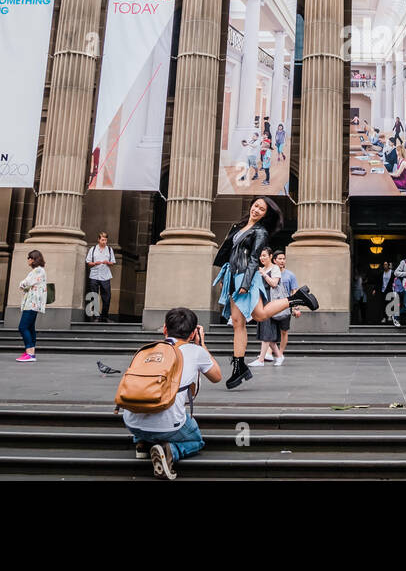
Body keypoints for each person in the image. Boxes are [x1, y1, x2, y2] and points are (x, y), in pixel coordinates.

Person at [212, 197, 319, 388]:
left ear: (265, 214)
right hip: (234, 274)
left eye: (261, 209)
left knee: (259, 315)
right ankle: (238, 366)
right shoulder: (240, 226)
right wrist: (225, 280)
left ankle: (296, 298)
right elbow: (230, 255)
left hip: (246, 276)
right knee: (238, 322)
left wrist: (244, 283)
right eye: (256, 206)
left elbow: (254, 258)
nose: (257, 210)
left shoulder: (260, 232)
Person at [122, 307, 222, 480]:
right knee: (196, 440)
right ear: (192, 334)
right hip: (170, 425)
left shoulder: (147, 350)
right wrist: (201, 345)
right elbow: (217, 377)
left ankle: (142, 444)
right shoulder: (196, 351)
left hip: (131, 421)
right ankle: (169, 452)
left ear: (165, 329)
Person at [250, 248, 284, 367]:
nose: (262, 258)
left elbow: (274, 283)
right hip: (262, 302)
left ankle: (261, 360)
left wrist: (264, 275)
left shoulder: (274, 269)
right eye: (260, 256)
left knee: (266, 331)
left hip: (270, 303)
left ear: (270, 256)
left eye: (264, 255)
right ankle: (279, 356)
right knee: (266, 332)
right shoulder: (261, 269)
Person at [17, 250, 47, 362]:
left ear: (34, 259)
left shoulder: (38, 270)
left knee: (23, 327)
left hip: (32, 303)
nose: (28, 259)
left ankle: (30, 352)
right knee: (30, 327)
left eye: (30, 257)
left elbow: (25, 283)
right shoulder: (37, 271)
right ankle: (31, 352)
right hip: (32, 303)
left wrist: (22, 284)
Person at [272, 250, 302, 356]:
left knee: (284, 331)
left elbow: (294, 292)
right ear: (274, 260)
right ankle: (269, 352)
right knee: (270, 331)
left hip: (285, 306)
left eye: (284, 259)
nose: (282, 261)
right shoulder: (270, 273)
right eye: (280, 259)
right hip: (271, 306)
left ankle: (280, 353)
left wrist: (296, 308)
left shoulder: (290, 275)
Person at [85, 231, 115, 323]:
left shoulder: (109, 250)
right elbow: (88, 262)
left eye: (105, 240)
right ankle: (96, 316)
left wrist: (107, 262)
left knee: (107, 297)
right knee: (94, 295)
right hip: (94, 275)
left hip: (105, 276)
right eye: (102, 240)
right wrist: (94, 263)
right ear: (98, 240)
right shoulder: (93, 249)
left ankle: (105, 316)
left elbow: (112, 263)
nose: (104, 242)